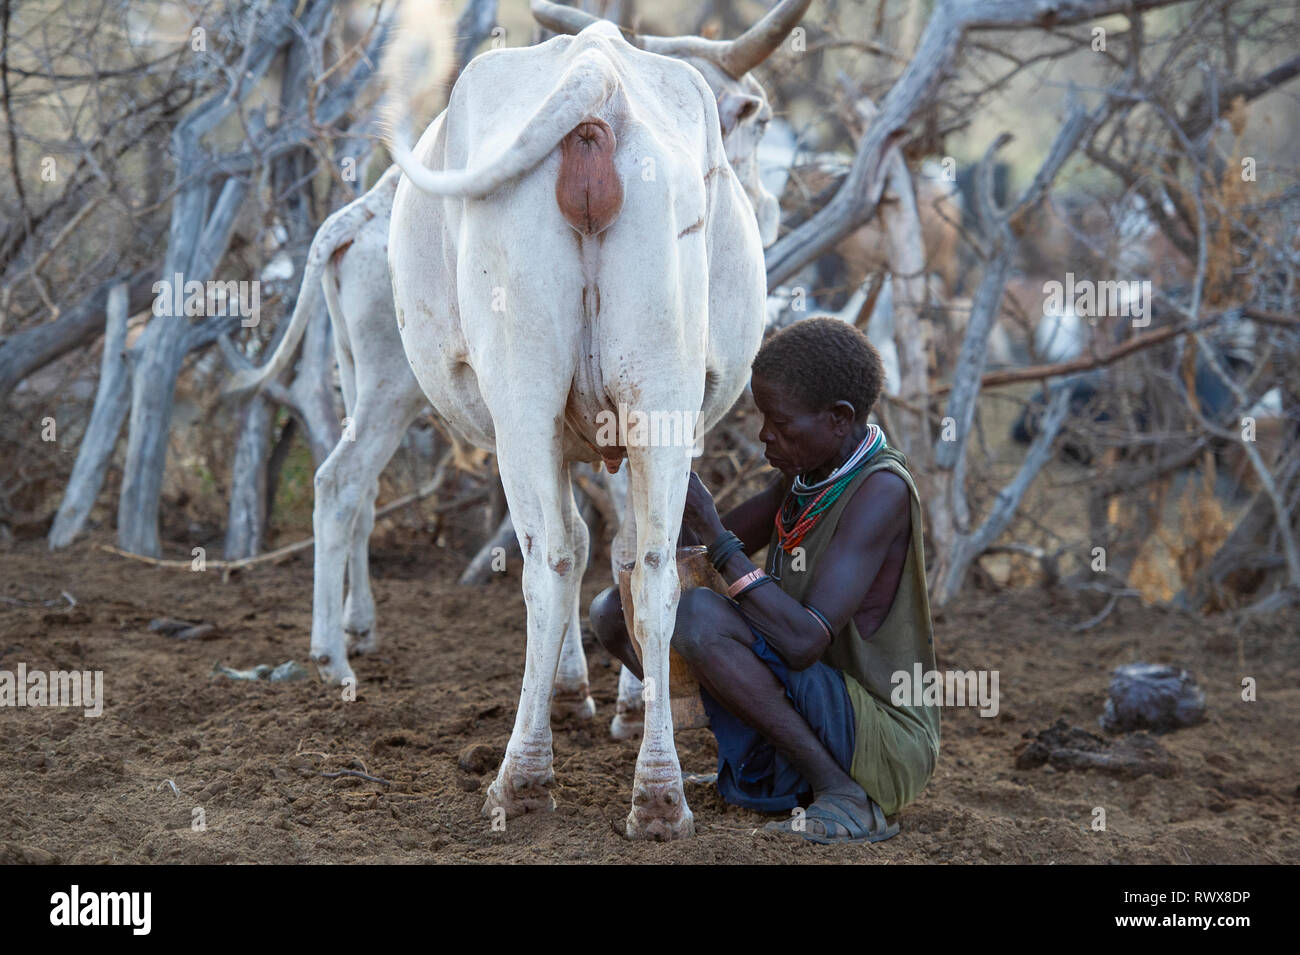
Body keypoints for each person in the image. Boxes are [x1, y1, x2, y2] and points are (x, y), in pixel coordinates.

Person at [589, 317, 939, 844]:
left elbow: (802, 641)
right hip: (819, 706)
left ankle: (843, 794)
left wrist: (714, 532)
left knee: (699, 618)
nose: (764, 435)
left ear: (839, 419)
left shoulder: (880, 491)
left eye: (779, 422)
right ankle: (753, 755)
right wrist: (655, 460)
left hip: (876, 737)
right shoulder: (807, 476)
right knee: (616, 611)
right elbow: (705, 543)